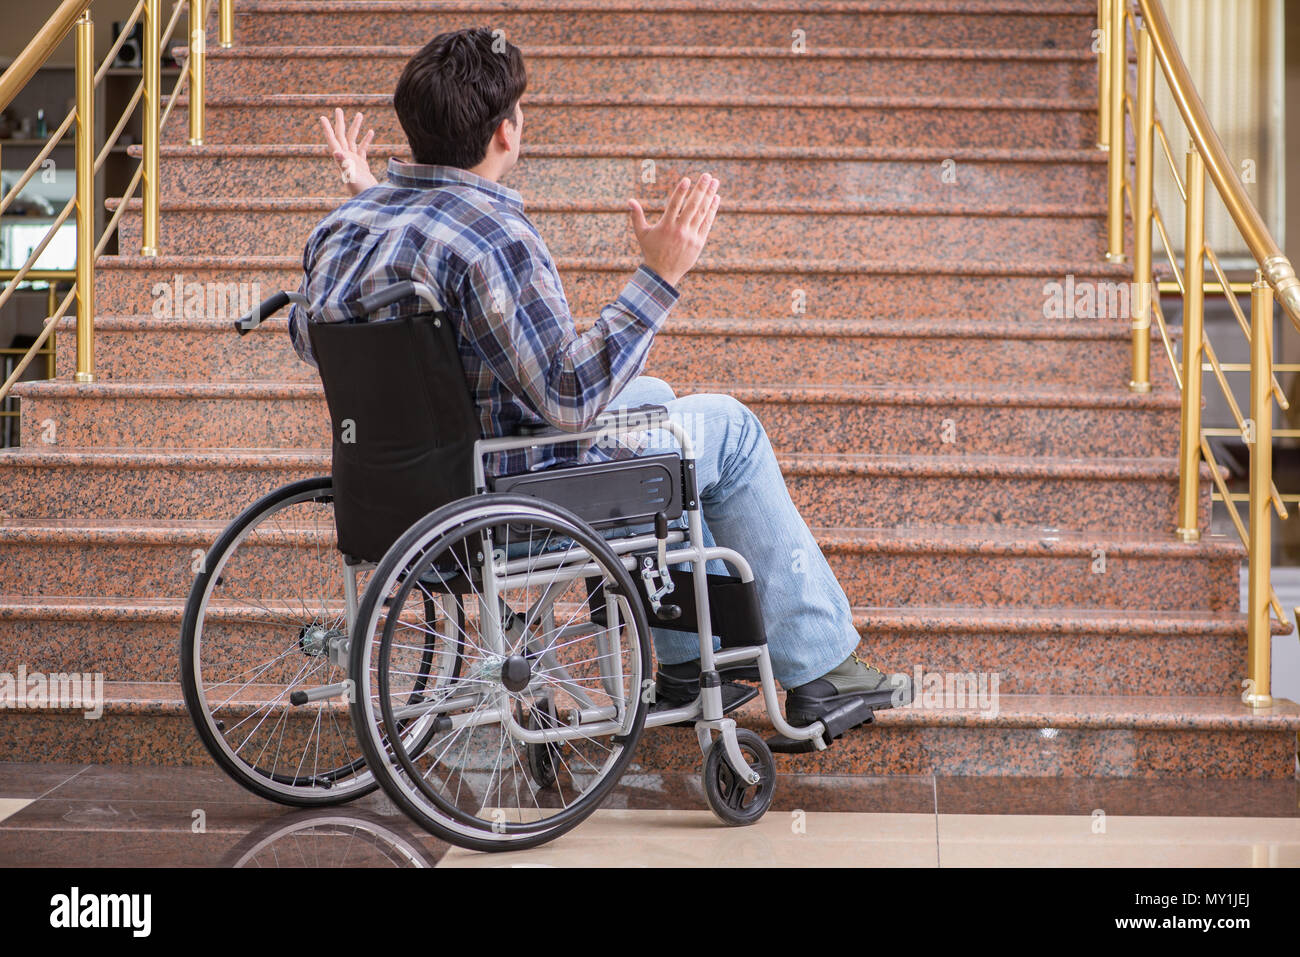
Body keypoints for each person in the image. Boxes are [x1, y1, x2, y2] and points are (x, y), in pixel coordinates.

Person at [289, 28, 911, 731]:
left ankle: (687, 659)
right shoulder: (493, 238)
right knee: (730, 430)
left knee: (655, 400)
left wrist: (374, 205)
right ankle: (820, 668)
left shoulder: (343, 229)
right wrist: (659, 276)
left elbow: (314, 340)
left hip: (399, 498)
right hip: (509, 496)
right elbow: (570, 396)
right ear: (505, 132)